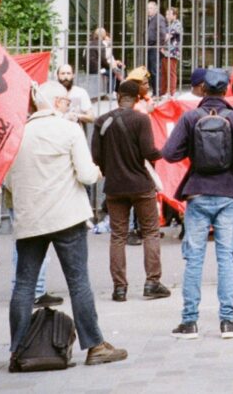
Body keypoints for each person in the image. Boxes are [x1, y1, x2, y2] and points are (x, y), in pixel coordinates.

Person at [6, 81, 128, 366]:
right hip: (66, 216)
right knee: (78, 282)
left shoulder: (18, 133)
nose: (68, 105)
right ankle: (95, 345)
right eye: (65, 101)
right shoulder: (69, 129)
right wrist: (97, 172)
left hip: (31, 218)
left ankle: (18, 349)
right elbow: (85, 175)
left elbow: (8, 180)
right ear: (58, 102)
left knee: (24, 285)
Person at [162, 66, 233, 338]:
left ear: (202, 88)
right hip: (228, 194)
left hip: (198, 192)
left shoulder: (191, 117)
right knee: (226, 257)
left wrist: (192, 150)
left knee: (194, 259)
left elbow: (169, 153)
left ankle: (189, 321)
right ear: (227, 89)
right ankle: (228, 320)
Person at [93, 79, 170, 303]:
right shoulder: (141, 119)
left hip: (114, 187)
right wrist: (164, 151)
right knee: (150, 232)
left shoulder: (101, 121)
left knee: (118, 236)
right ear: (137, 98)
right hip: (141, 186)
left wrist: (112, 171)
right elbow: (149, 151)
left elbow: (96, 158)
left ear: (118, 96)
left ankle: (119, 288)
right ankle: (152, 282)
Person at [85, 26, 119, 100]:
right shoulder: (101, 44)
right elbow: (103, 60)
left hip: (88, 68)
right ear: (103, 35)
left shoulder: (90, 43)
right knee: (112, 73)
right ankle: (110, 93)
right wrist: (110, 67)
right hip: (98, 69)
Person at [144, 1, 169, 97]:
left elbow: (163, 33)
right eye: (147, 8)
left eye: (150, 8)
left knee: (155, 70)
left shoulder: (159, 18)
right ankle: (155, 92)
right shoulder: (151, 19)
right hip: (151, 46)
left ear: (155, 9)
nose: (148, 10)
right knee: (152, 70)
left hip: (155, 46)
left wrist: (159, 45)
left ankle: (157, 92)